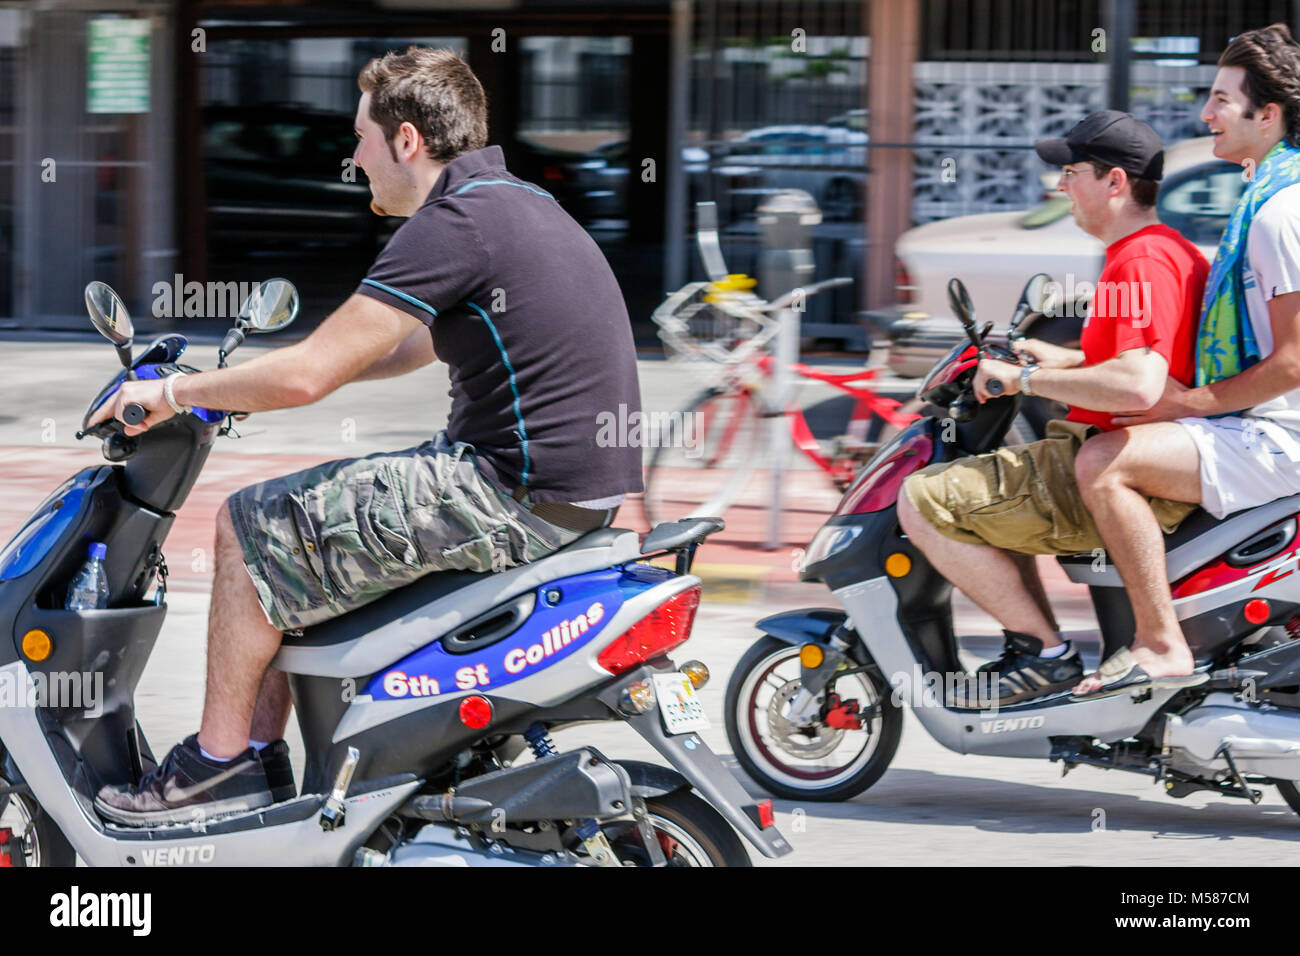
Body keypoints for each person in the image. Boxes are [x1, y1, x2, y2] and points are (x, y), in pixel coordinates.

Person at [90, 47, 644, 824]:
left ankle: (218, 767)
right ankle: (264, 755)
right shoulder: (512, 201)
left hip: (509, 492)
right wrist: (247, 388)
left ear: (407, 140)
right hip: (571, 493)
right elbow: (398, 346)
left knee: (248, 528)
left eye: (361, 138)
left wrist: (176, 393)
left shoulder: (453, 222)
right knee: (303, 540)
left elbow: (309, 374)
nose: (354, 158)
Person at [897, 110, 1209, 707]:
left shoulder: (1141, 259)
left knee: (922, 499)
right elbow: (1140, 363)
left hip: (1120, 462)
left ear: (1115, 182)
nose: (1059, 186)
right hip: (1128, 453)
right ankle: (1040, 650)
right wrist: (1054, 356)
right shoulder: (1159, 250)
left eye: (1070, 173)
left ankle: (1045, 655)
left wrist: (1025, 378)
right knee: (993, 493)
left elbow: (1140, 385)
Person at [1071, 23, 1300, 697]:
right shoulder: (1265, 194)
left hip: (1276, 434)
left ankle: (1160, 641)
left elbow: (1292, 363)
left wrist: (1184, 403)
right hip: (1263, 422)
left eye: (1222, 100)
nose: (1206, 115)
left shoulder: (1277, 215)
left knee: (1100, 462)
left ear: (1268, 114)